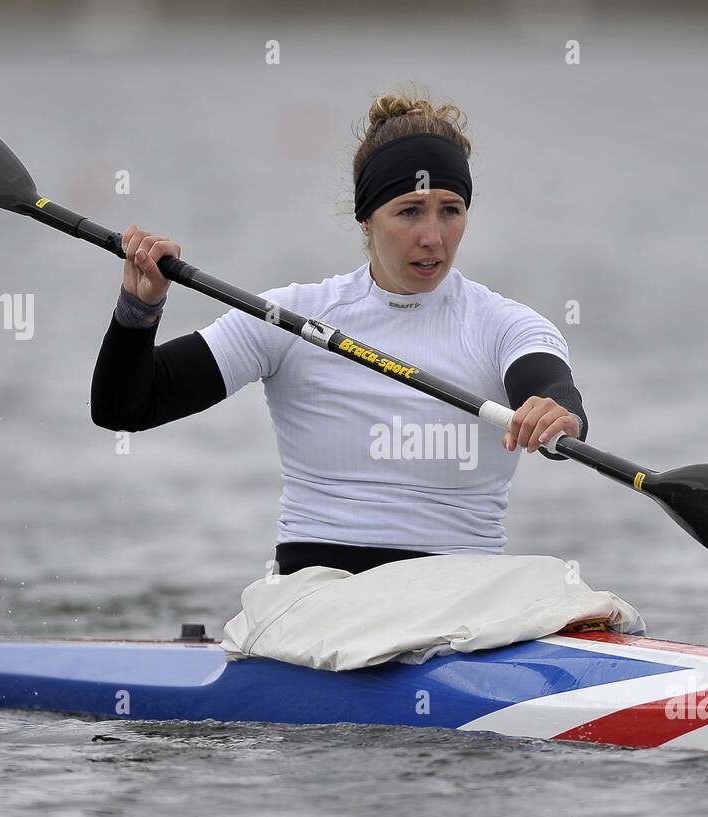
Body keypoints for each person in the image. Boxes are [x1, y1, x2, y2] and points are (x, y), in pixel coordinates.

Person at [91, 92, 588, 575]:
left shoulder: (506, 325)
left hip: (461, 602)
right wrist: (140, 309)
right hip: (319, 598)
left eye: (450, 210)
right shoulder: (288, 316)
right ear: (366, 219)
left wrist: (556, 414)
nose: (433, 236)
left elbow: (550, 385)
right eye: (409, 211)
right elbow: (126, 406)